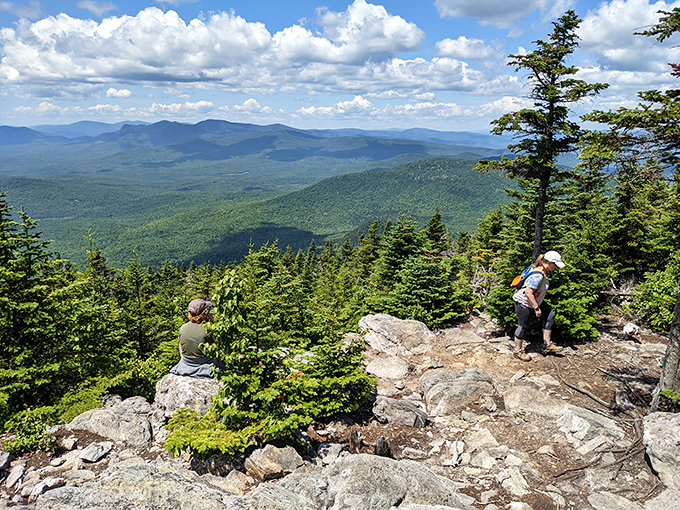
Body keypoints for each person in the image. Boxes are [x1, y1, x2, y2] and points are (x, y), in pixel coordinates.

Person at [512, 251, 565, 362]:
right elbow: (528, 292)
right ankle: (518, 351)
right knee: (523, 326)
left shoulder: (540, 269)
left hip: (536, 301)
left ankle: (547, 344)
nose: (556, 267)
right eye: (555, 265)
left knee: (549, 316)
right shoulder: (538, 275)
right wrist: (536, 308)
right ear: (549, 262)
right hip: (524, 302)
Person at [169, 298, 222, 378]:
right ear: (205, 313)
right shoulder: (209, 329)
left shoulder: (183, 327)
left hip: (185, 364)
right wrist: (213, 323)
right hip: (204, 366)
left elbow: (181, 345)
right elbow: (218, 347)